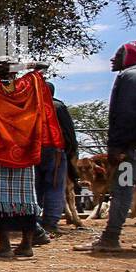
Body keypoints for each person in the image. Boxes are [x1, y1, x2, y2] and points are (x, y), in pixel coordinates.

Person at [76, 38, 136, 254]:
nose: (113, 59)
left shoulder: (132, 77)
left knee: (122, 189)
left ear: (132, 57)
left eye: (119, 54)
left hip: (132, 151)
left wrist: (116, 148)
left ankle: (110, 238)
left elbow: (129, 116)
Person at [33, 83, 76, 241]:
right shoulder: (58, 106)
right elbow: (69, 131)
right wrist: (71, 150)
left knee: (35, 186)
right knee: (55, 185)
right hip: (55, 150)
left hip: (34, 150)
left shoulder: (30, 105)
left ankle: (34, 222)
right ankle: (50, 223)